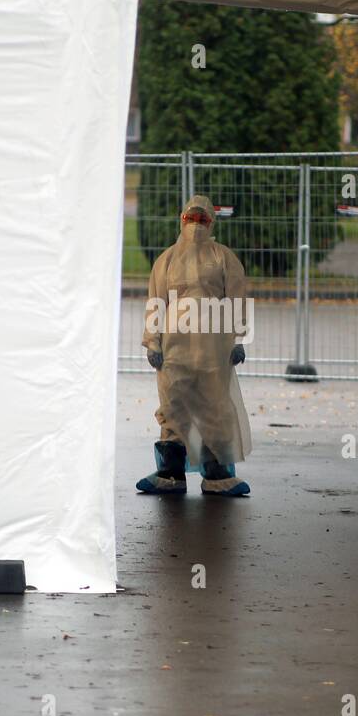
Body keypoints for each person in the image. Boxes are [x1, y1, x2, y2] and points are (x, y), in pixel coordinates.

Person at [136, 195, 252, 496]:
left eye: (201, 219)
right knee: (174, 409)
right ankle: (170, 475)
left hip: (214, 353)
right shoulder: (167, 261)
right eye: (191, 219)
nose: (196, 225)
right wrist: (153, 342)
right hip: (174, 353)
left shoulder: (224, 258)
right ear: (181, 220)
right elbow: (156, 303)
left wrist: (238, 340)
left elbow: (237, 300)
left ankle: (217, 476)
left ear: (211, 222)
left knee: (214, 410)